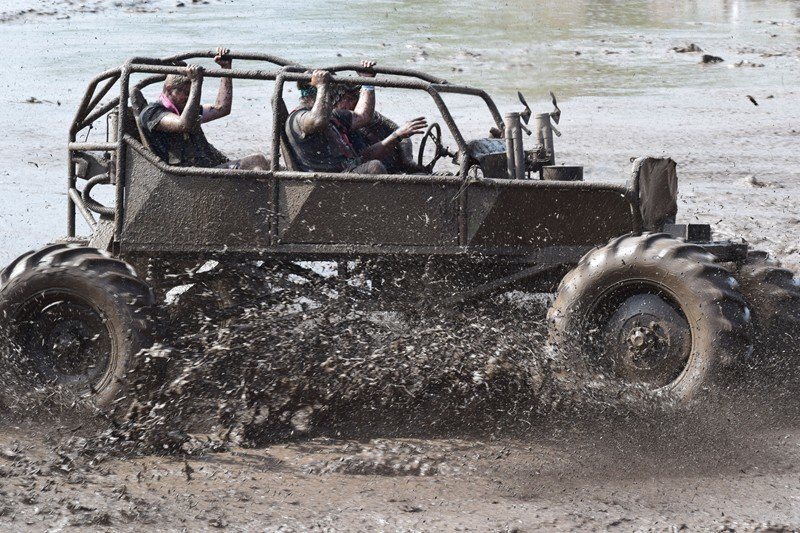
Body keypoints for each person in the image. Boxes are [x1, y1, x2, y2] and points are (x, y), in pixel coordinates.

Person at [139, 47, 269, 170]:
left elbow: (222, 108)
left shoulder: (185, 110)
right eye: (187, 93)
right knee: (257, 160)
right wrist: (196, 83)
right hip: (190, 180)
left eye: (192, 93)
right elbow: (184, 125)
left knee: (270, 163)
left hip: (209, 172)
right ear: (169, 90)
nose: (190, 98)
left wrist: (226, 69)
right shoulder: (152, 113)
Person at [285, 62, 426, 174]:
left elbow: (363, 116)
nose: (332, 99)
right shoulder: (299, 118)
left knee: (373, 162)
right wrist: (323, 86)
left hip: (350, 170)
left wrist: (367, 82)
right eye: (330, 94)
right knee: (374, 167)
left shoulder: (333, 116)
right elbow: (318, 120)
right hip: (328, 183)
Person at [333, 82, 425, 174]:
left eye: (358, 99)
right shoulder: (333, 122)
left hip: (383, 163)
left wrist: (407, 160)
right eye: (349, 99)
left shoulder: (370, 117)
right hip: (358, 168)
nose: (356, 104)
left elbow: (403, 136)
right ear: (336, 101)